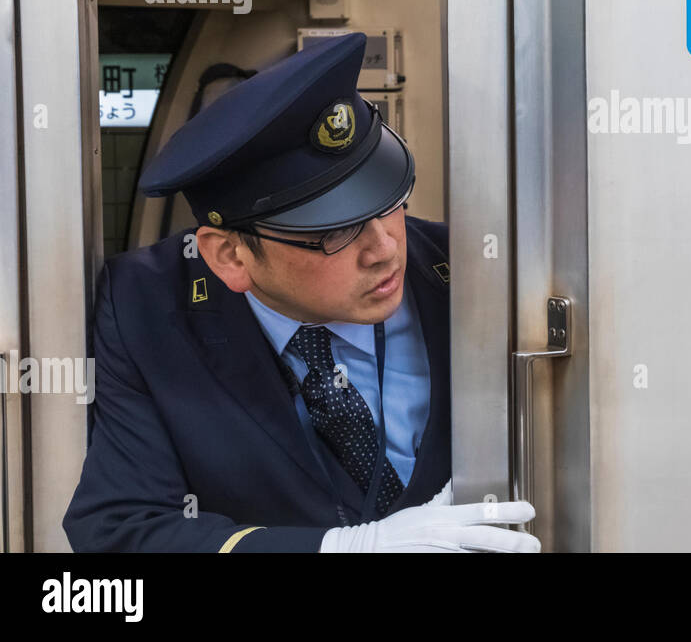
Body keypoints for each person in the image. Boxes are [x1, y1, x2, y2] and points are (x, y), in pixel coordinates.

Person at [63, 32, 538, 552]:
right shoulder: (148, 306)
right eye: (336, 231)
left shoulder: (474, 272)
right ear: (230, 256)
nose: (385, 248)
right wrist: (339, 550)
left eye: (389, 198)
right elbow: (120, 530)